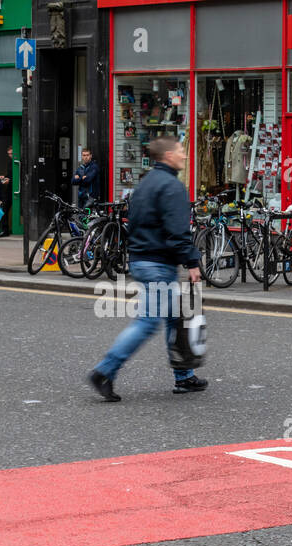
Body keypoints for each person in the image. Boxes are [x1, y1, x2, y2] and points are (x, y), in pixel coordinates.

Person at [88, 135, 206, 402]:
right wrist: (192, 262)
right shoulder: (172, 187)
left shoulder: (144, 185)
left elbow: (136, 223)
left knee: (175, 316)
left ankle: (184, 376)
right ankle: (104, 371)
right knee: (148, 322)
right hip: (158, 264)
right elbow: (177, 232)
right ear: (168, 156)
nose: (185, 155)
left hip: (141, 259)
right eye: (180, 151)